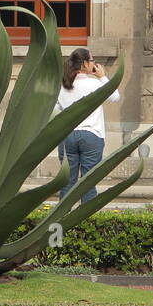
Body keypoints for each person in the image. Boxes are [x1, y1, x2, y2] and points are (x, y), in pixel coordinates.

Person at [54, 48, 120, 204]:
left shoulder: (63, 84)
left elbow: (54, 110)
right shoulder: (95, 83)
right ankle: (87, 222)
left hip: (67, 135)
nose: (94, 64)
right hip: (91, 135)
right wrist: (103, 76)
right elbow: (115, 97)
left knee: (67, 183)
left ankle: (62, 219)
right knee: (88, 183)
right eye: (91, 61)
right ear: (84, 63)